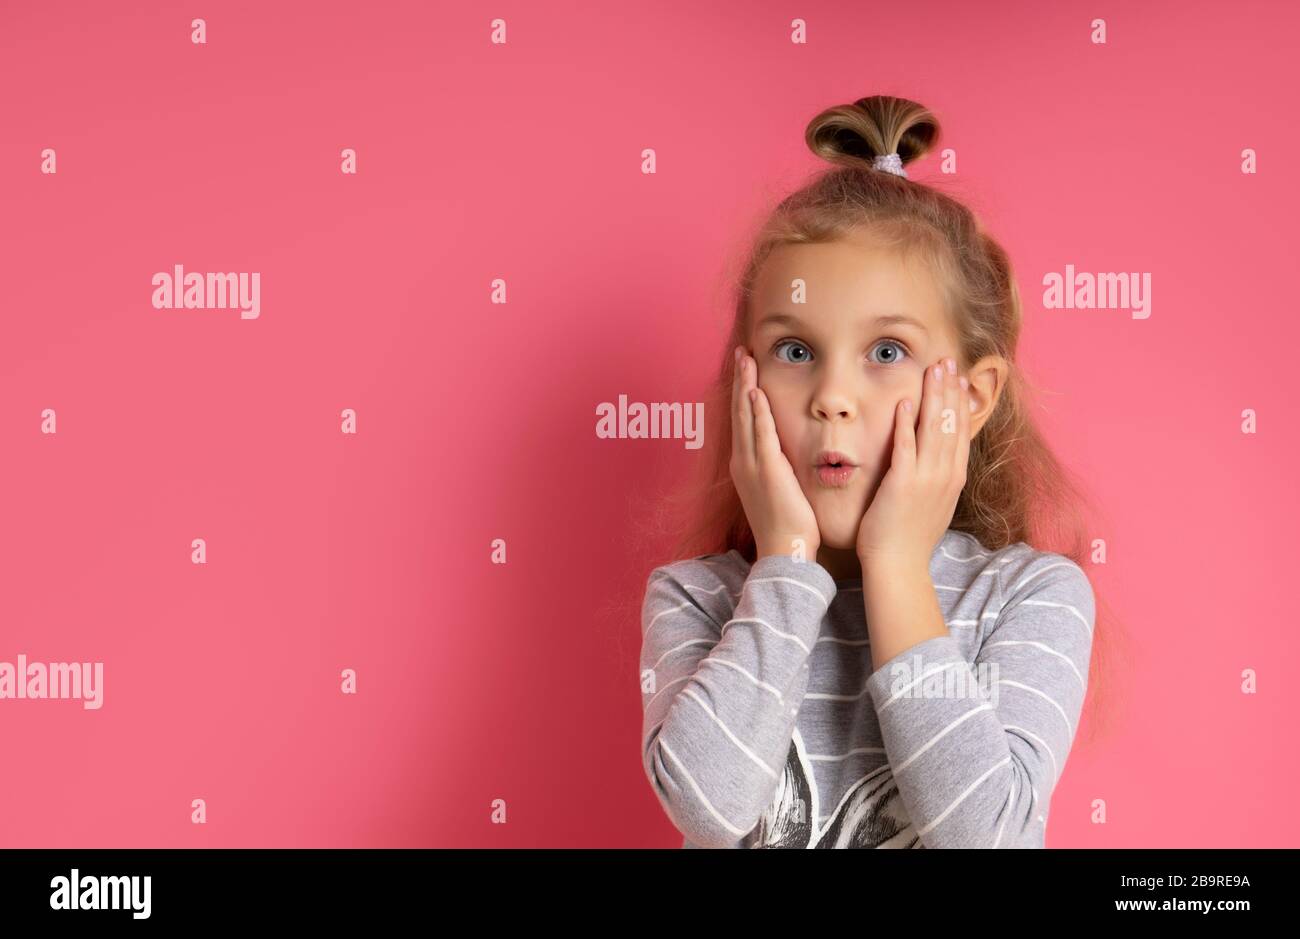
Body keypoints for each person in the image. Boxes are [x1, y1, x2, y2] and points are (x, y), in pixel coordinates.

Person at [638, 94, 1113, 849]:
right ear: (746, 383)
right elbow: (710, 807)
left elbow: (979, 835)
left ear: (974, 395)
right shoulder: (698, 599)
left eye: (886, 352)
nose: (832, 398)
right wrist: (786, 564)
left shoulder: (1030, 596)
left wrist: (894, 562)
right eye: (795, 351)